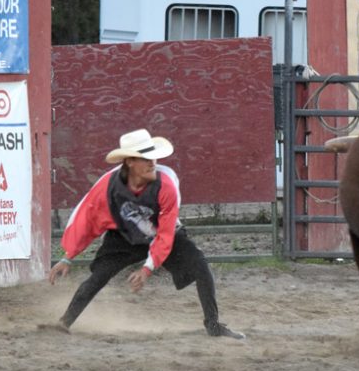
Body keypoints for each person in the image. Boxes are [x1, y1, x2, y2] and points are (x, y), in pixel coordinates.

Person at [46, 129, 245, 339]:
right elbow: (86, 218)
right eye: (145, 158)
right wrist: (68, 256)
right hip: (124, 236)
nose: (153, 162)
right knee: (99, 276)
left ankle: (213, 325)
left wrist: (147, 268)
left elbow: (166, 234)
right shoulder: (107, 186)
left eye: (153, 156)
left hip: (160, 232)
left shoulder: (166, 184)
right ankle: (64, 322)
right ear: (130, 162)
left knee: (200, 265)